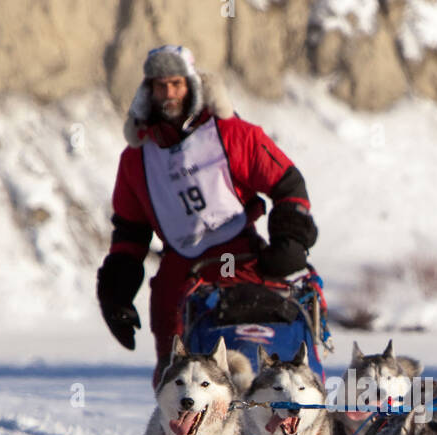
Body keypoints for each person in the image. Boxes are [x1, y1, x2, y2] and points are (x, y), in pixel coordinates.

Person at [95, 45, 318, 384]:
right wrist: (116, 292)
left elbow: (287, 183)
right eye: (160, 86)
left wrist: (290, 242)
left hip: (243, 259)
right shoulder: (136, 160)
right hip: (178, 273)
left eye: (176, 84)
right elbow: (129, 232)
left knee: (264, 366)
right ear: (149, 91)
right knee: (176, 378)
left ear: (191, 85)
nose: (169, 93)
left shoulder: (232, 134)